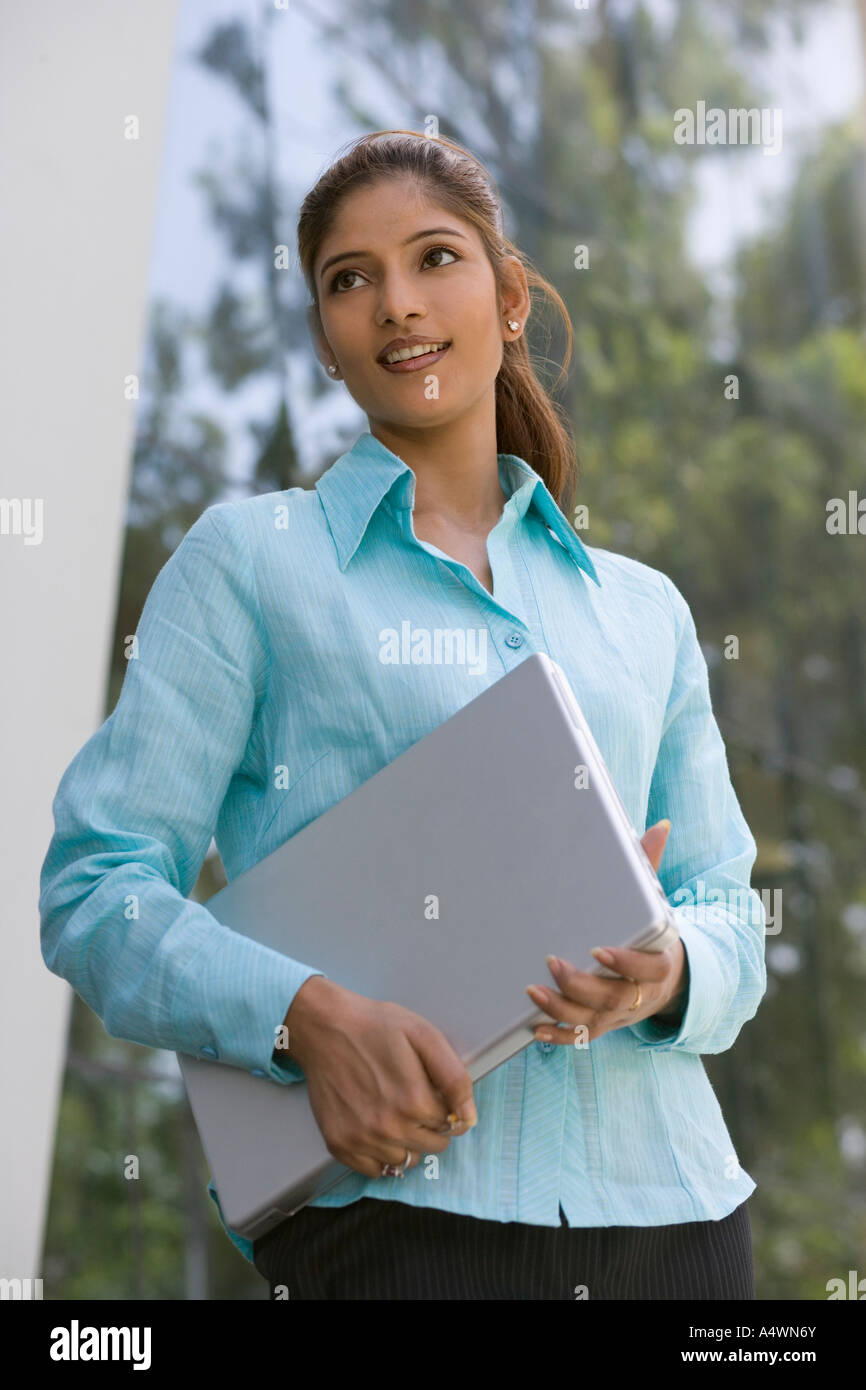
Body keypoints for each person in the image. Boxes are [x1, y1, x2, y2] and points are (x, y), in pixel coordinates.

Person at [39, 129, 767, 1301]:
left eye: (434, 258)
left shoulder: (644, 612)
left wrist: (665, 971)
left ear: (509, 297)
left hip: (676, 1220)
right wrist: (303, 1019)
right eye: (348, 279)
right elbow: (96, 882)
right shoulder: (248, 564)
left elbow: (728, 907)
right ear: (327, 342)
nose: (395, 305)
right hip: (397, 1232)